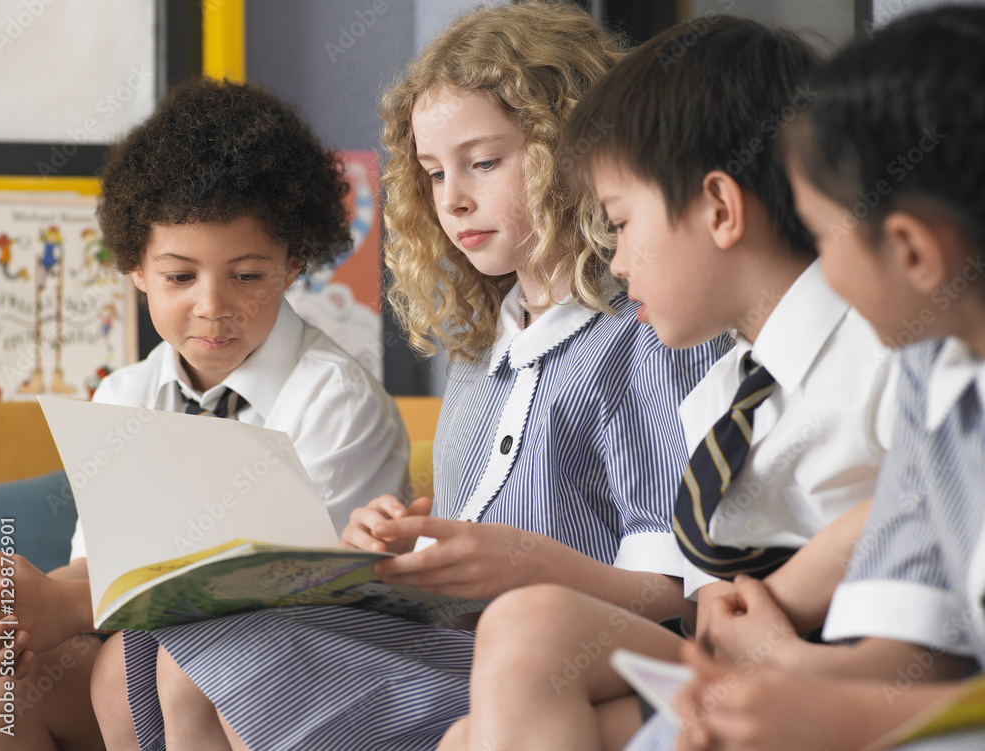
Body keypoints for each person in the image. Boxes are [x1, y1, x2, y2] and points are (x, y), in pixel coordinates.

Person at [101, 3, 725, 750]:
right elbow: (459, 561)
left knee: (226, 662)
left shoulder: (650, 333)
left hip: (568, 660)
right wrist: (394, 553)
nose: (453, 197)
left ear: (573, 150)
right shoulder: (480, 354)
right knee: (192, 653)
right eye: (432, 173)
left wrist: (523, 564)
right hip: (463, 645)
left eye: (483, 162)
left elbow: (677, 593)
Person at [441, 15, 910, 751]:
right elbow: (706, 618)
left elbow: (936, 485)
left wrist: (780, 618)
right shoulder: (720, 395)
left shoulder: (886, 346)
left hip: (848, 665)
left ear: (720, 209)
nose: (618, 262)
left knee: (525, 627)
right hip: (733, 660)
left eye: (622, 224)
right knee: (478, 717)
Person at [0, 77, 409, 751]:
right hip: (142, 658)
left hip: (296, 667)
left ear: (293, 261)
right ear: (135, 268)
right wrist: (19, 601)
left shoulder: (336, 400)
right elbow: (97, 567)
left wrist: (65, 601)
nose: (212, 305)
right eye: (180, 276)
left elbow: (282, 589)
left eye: (246, 275)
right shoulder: (120, 395)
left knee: (151, 667)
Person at [654, 6, 985, 750]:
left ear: (911, 252)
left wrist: (840, 713)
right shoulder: (937, 378)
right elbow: (908, 648)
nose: (816, 272)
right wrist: (782, 678)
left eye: (822, 233)